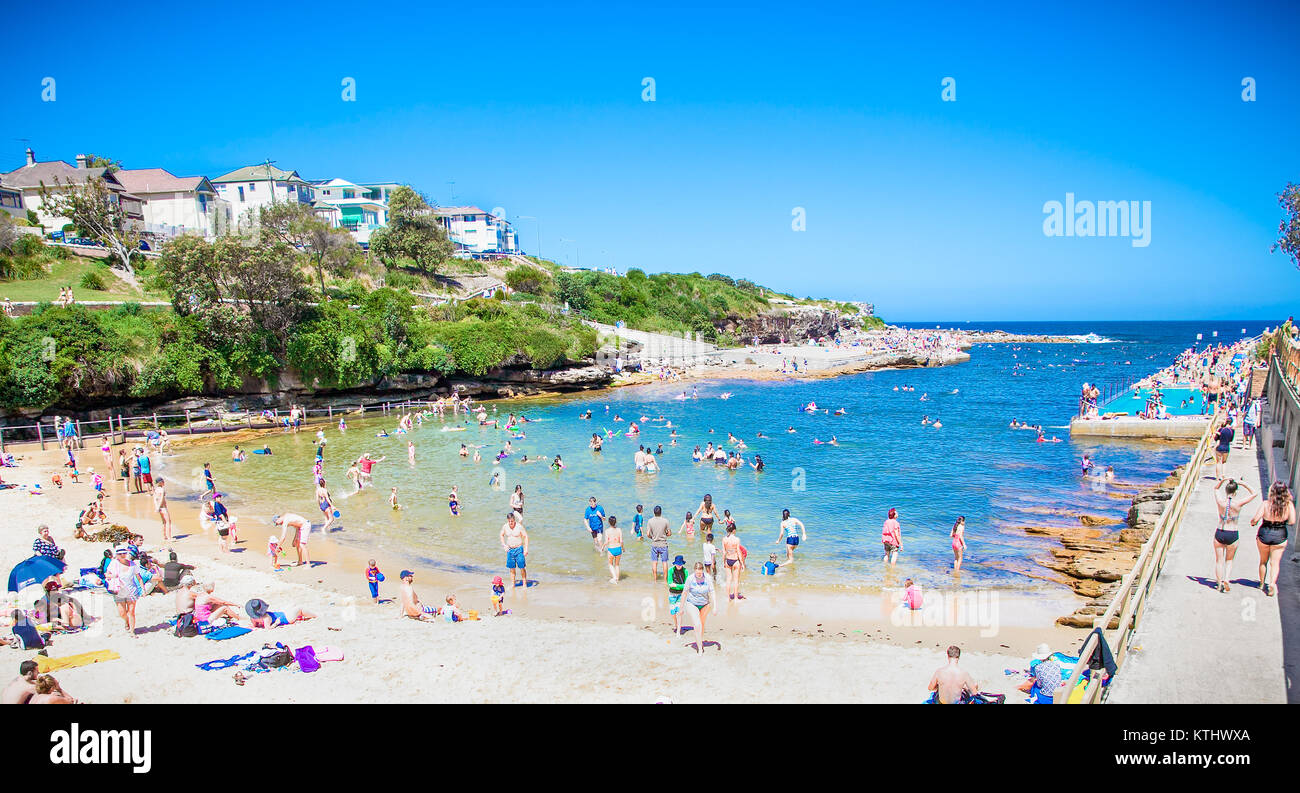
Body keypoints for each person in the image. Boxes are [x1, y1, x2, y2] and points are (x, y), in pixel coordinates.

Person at [1250, 481, 1294, 597]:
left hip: (1265, 534)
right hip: (1280, 535)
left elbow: (1255, 519)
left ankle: (1261, 583)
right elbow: (1292, 521)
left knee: (1263, 561)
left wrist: (1253, 523)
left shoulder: (1266, 504)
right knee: (1275, 563)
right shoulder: (1288, 505)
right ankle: (1272, 584)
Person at [1213, 478, 1256, 592]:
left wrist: (1223, 480)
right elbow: (1254, 493)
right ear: (1235, 492)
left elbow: (1216, 488)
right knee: (1229, 560)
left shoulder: (1220, 502)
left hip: (1220, 531)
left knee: (1219, 560)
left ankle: (1218, 584)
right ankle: (1226, 579)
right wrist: (1242, 483)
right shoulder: (1238, 503)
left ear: (1226, 491)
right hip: (1232, 533)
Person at [104, 545, 144, 637]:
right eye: (120, 553)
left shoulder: (133, 565)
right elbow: (107, 575)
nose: (122, 555)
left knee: (131, 612)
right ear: (117, 555)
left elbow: (139, 577)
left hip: (132, 591)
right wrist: (113, 576)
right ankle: (126, 621)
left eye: (124, 553)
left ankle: (132, 631)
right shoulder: (113, 564)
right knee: (122, 613)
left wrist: (143, 589)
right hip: (119, 591)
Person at [682, 562, 716, 656]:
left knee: (701, 625)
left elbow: (712, 592)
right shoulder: (690, 578)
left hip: (705, 604)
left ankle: (699, 640)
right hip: (692, 603)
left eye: (700, 574)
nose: (699, 575)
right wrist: (681, 608)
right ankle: (700, 648)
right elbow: (684, 593)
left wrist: (715, 607)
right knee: (697, 624)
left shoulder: (708, 578)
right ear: (694, 571)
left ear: (702, 571)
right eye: (697, 574)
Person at [500, 511, 529, 588]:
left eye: (512, 521)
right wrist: (504, 545)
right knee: (512, 568)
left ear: (514, 520)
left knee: (522, 567)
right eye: (509, 521)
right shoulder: (505, 527)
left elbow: (525, 536)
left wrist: (526, 549)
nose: (510, 523)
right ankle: (513, 584)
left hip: (519, 549)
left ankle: (524, 584)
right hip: (510, 550)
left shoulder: (519, 527)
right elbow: (501, 535)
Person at [245, 598, 315, 629]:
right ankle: (315, 616)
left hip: (281, 613)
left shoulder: (252, 618)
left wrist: (255, 626)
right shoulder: (266, 618)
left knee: (293, 604)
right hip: (285, 618)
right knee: (300, 608)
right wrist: (276, 623)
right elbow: (268, 628)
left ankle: (305, 614)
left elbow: (255, 625)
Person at [646, 505, 672, 580]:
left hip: (654, 544)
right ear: (661, 512)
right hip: (663, 544)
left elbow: (648, 534)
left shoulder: (650, 521)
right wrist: (666, 535)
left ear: (654, 513)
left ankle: (655, 580)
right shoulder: (665, 521)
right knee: (664, 562)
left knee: (654, 562)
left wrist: (652, 538)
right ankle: (665, 580)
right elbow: (669, 533)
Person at [722, 524, 744, 600]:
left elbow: (724, 552)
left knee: (728, 580)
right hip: (735, 561)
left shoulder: (724, 539)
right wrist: (742, 562)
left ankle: (728, 598)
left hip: (728, 560)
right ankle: (735, 598)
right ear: (734, 530)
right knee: (736, 580)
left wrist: (723, 562)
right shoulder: (737, 539)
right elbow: (738, 551)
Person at [667, 556, 688, 635]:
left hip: (681, 595)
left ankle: (678, 630)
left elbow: (686, 585)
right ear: (675, 563)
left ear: (683, 564)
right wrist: (679, 585)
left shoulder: (685, 571)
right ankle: (676, 626)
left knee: (679, 612)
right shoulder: (671, 570)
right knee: (673, 613)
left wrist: (676, 586)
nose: (679, 566)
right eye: (677, 564)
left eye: (680, 564)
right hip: (672, 594)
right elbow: (669, 583)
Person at [153, 476, 173, 541]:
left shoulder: (156, 489)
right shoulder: (162, 489)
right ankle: (169, 537)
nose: (164, 482)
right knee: (168, 522)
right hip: (163, 507)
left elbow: (155, 499)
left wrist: (156, 507)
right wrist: (159, 507)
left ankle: (164, 536)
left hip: (159, 508)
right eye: (163, 481)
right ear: (160, 482)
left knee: (163, 522)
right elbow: (161, 498)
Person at [606, 515, 624, 583]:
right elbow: (621, 541)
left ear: (608, 522)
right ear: (616, 522)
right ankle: (617, 579)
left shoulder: (607, 531)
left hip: (611, 549)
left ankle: (614, 577)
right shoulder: (619, 530)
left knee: (610, 564)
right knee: (617, 565)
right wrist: (623, 548)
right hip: (618, 548)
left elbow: (607, 541)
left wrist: (603, 546)